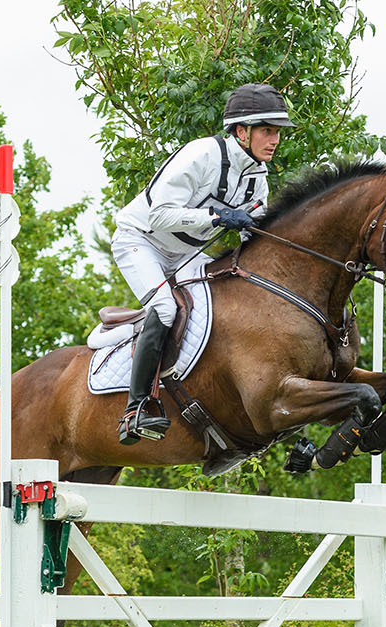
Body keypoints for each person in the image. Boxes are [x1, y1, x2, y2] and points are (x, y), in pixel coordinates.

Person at [112, 83, 294, 445]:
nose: (275, 140)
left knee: (229, 297)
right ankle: (136, 409)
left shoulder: (257, 175)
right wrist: (218, 217)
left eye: (277, 132)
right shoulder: (202, 156)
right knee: (164, 308)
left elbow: (251, 230)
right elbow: (159, 215)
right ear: (242, 131)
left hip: (185, 254)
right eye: (268, 131)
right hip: (142, 242)